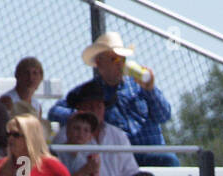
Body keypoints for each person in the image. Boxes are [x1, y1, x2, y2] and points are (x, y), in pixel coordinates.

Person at [47, 31, 176, 167]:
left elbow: (164, 116)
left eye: (123, 59)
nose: (121, 64)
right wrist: (85, 116)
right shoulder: (89, 92)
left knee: (170, 160)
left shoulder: (140, 85)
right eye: (115, 59)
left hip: (152, 153)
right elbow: (54, 112)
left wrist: (151, 89)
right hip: (117, 159)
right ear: (99, 63)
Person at [53, 87, 137, 176]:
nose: (95, 110)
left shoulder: (118, 135)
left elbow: (130, 171)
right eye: (90, 106)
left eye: (99, 106)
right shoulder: (64, 140)